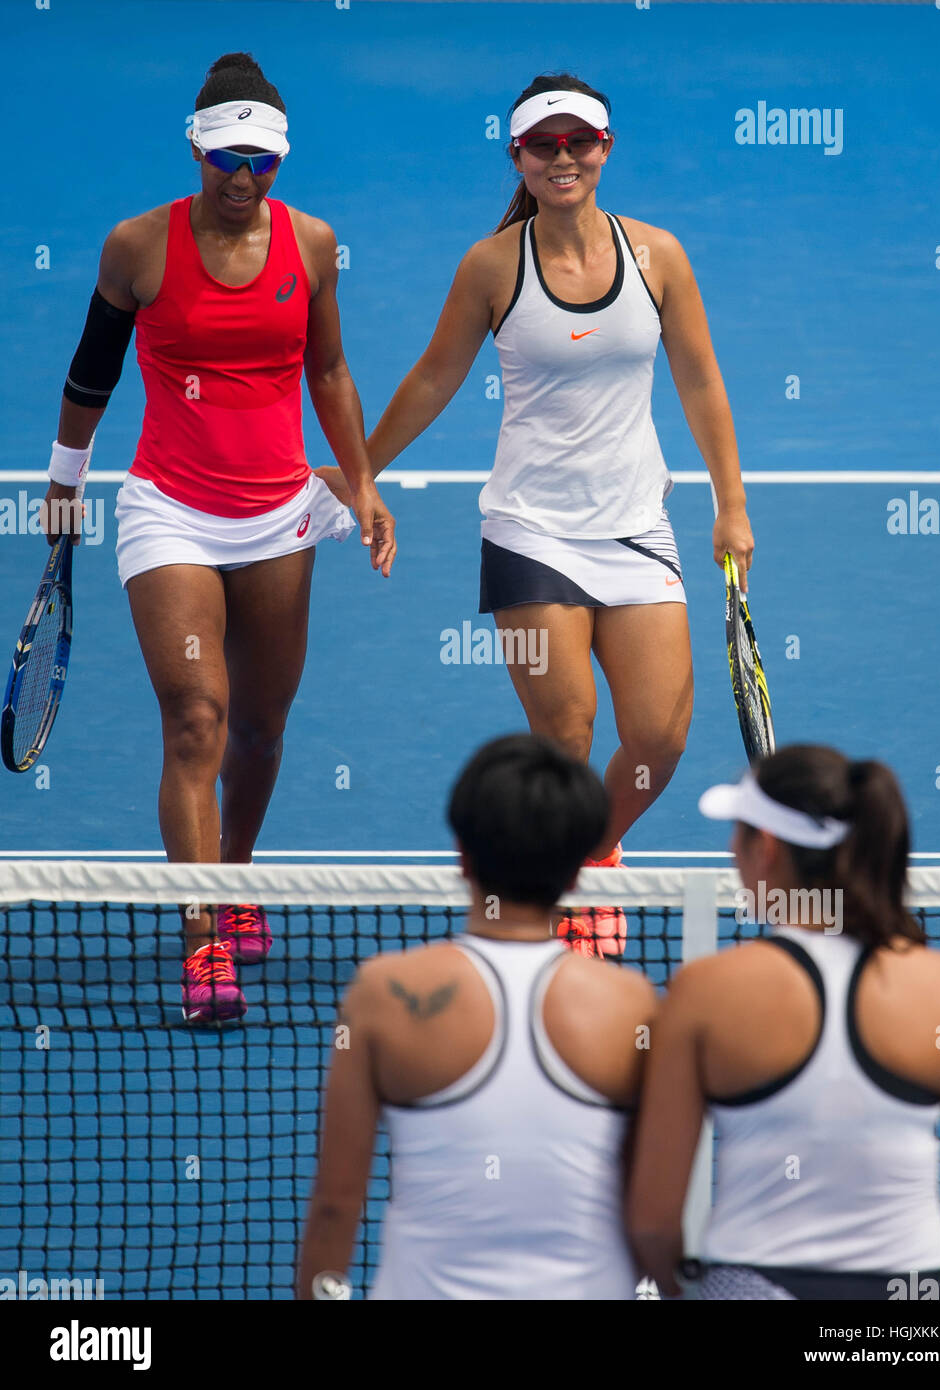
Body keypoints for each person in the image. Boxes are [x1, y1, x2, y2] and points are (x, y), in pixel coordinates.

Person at [321, 72, 753, 960]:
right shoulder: (491, 268)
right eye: (543, 146)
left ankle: (590, 845)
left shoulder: (658, 257)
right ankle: (565, 881)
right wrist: (360, 472)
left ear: (605, 147)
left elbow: (700, 380)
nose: (564, 159)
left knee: (659, 738)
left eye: (579, 142)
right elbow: (434, 375)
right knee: (565, 732)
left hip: (637, 529)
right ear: (516, 157)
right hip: (529, 532)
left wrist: (730, 505)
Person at [43, 53, 396, 1024]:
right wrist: (65, 483)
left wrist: (358, 484)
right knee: (197, 716)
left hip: (280, 512)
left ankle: (233, 876)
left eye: (263, 163)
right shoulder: (137, 248)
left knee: (261, 726)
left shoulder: (312, 245)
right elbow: (90, 374)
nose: (244, 181)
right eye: (228, 158)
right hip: (170, 511)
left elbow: (328, 372)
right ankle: (202, 939)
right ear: (198, 148)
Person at [297, 734, 658, 1300]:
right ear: (577, 874)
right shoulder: (630, 1006)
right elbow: (652, 1208)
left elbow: (335, 1206)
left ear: (462, 856)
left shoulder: (383, 994)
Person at [626, 745, 940, 1300]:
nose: (731, 851)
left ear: (765, 849)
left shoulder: (708, 993)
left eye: (738, 833)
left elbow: (652, 1221)